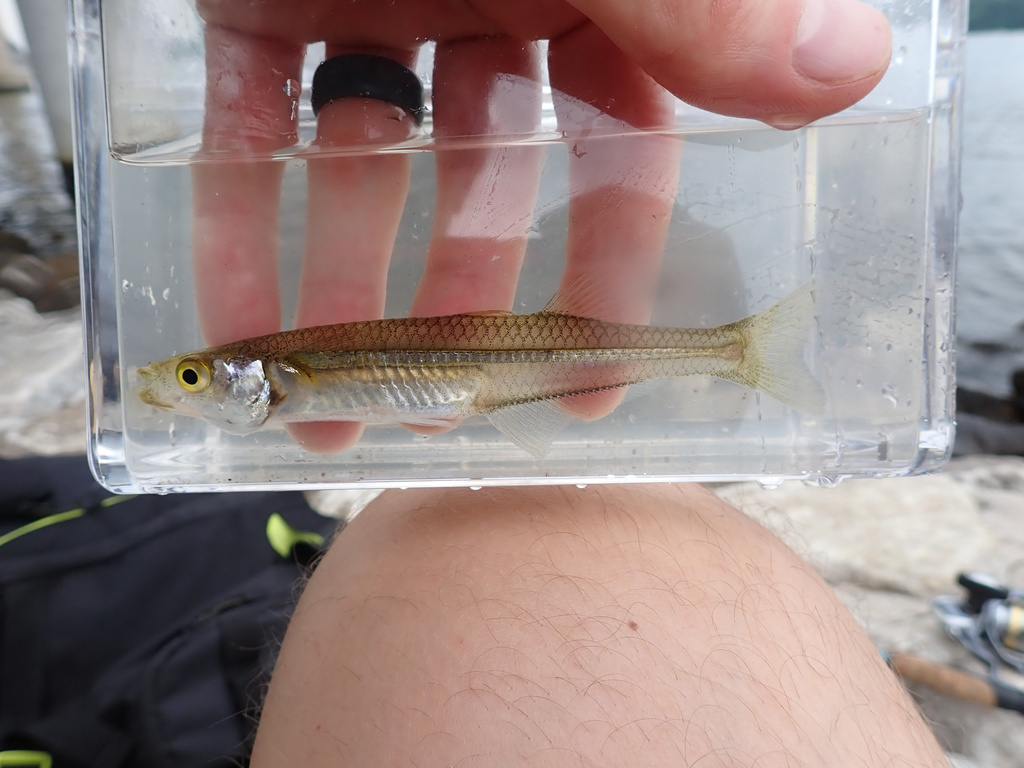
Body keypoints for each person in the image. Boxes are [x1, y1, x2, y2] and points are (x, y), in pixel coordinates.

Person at [192, 1, 950, 764]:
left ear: (260, 379)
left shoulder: (289, 367)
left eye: (194, 378)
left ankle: (734, 348)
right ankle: (732, 348)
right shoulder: (291, 367)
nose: (188, 386)